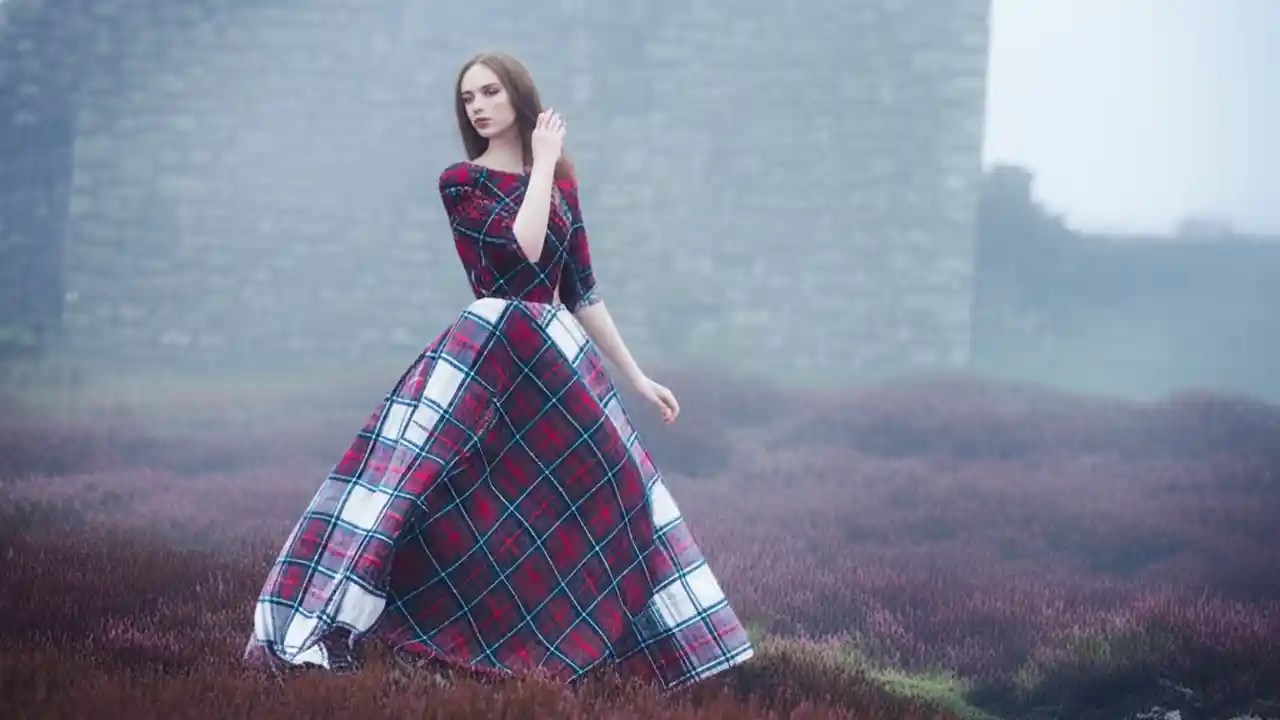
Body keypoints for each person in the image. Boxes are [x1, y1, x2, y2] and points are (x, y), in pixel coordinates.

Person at [242, 51, 754, 692]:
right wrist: (541, 168)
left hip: (557, 358)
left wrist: (638, 377)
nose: (478, 107)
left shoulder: (562, 183)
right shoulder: (461, 182)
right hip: (489, 353)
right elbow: (524, 249)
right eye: (468, 99)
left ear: (518, 96)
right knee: (432, 493)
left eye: (489, 93)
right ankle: (417, 634)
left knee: (620, 486)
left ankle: (605, 654)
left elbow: (583, 291)